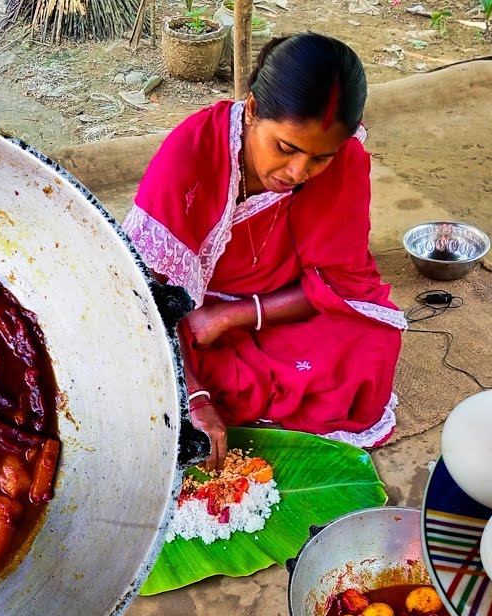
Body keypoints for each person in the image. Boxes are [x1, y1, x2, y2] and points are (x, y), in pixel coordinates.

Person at [123, 32, 405, 469]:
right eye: (286, 149)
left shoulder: (344, 159)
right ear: (252, 110)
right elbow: (151, 299)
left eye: (320, 159)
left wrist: (236, 315)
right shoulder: (191, 153)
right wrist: (194, 396)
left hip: (282, 308)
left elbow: (336, 283)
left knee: (371, 345)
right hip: (191, 316)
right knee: (145, 370)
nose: (298, 172)